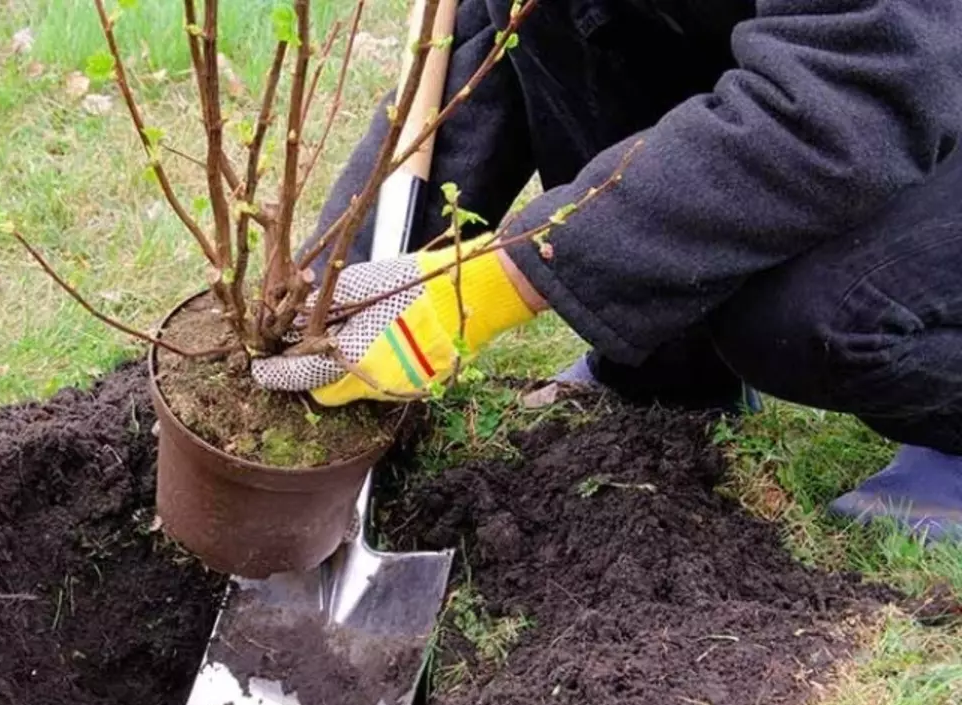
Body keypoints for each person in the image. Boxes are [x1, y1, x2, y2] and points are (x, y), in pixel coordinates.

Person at [252, 0, 962, 541]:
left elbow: (858, 82)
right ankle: (667, 362)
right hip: (861, 71)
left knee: (808, 318)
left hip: (905, 73)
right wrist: (340, 288)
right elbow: (488, 46)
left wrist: (513, 274)